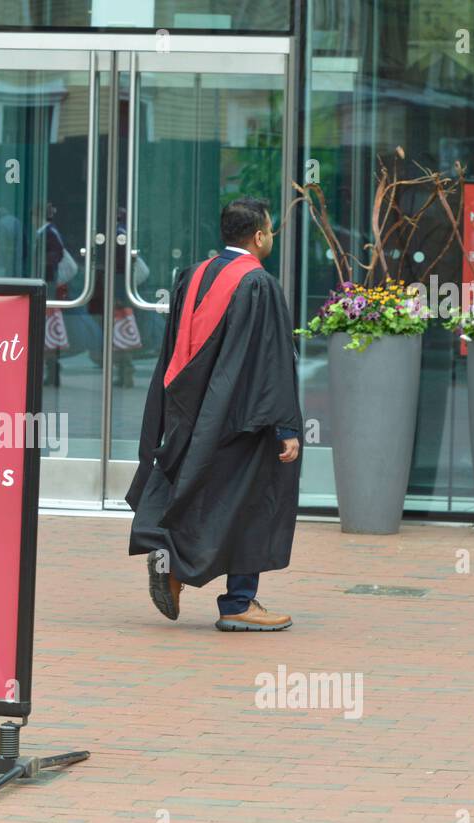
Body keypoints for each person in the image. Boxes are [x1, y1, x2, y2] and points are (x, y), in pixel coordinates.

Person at [126, 198, 302, 632]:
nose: (273, 238)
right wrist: (285, 425)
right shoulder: (258, 284)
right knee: (252, 502)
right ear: (259, 236)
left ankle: (171, 563)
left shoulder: (193, 275)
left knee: (199, 490)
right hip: (242, 419)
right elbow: (270, 361)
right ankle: (238, 602)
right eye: (271, 231)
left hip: (191, 411)